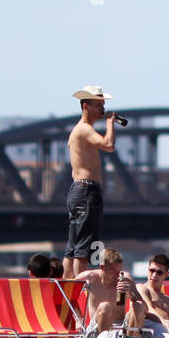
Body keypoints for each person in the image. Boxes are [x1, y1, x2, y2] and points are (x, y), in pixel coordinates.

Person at [61, 85, 120, 279]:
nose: (103, 109)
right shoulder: (84, 129)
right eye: (98, 105)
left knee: (73, 246)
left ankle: (67, 290)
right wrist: (111, 123)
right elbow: (108, 145)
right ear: (86, 106)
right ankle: (85, 291)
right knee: (84, 248)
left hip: (78, 190)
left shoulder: (77, 131)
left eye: (103, 105)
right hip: (87, 191)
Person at [74, 247, 147, 338]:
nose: (117, 275)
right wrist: (78, 320)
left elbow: (144, 308)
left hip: (121, 327)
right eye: (113, 271)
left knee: (138, 305)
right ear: (102, 267)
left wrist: (130, 294)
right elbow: (69, 296)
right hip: (97, 328)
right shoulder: (89, 278)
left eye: (119, 271)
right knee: (105, 306)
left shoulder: (125, 278)